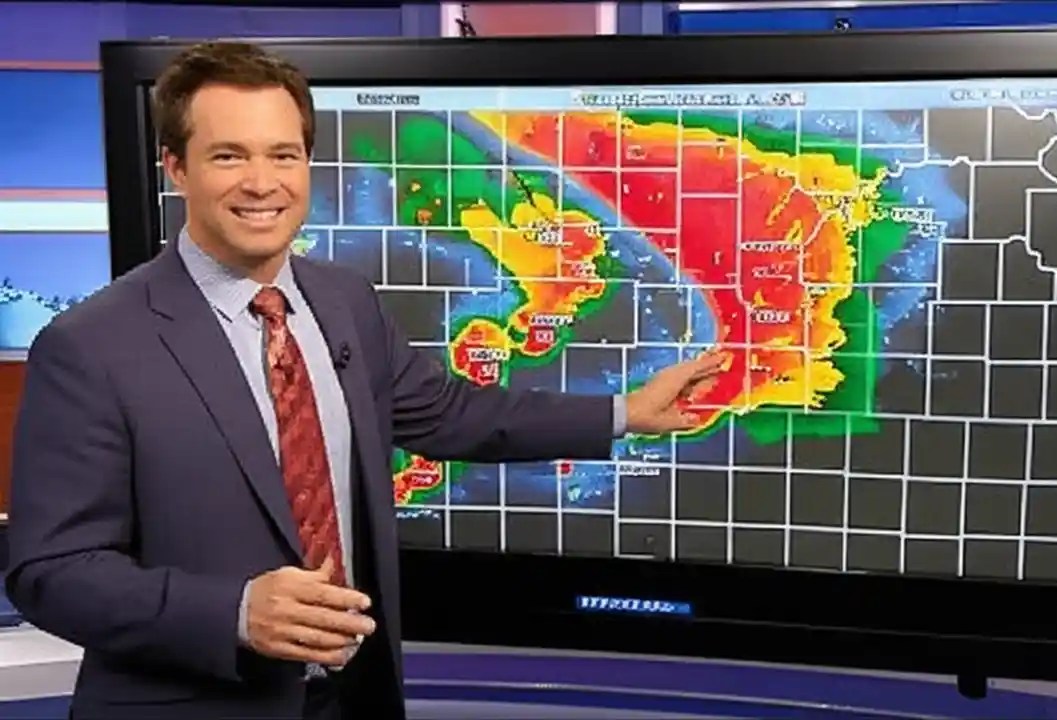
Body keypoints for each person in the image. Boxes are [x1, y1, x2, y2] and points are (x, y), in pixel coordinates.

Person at [4, 41, 722, 720]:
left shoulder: (342, 301)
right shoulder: (92, 346)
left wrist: (624, 412)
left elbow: (450, 414)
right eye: (229, 155)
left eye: (283, 154)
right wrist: (233, 614)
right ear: (176, 168)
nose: (262, 182)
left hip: (352, 698)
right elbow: (50, 571)